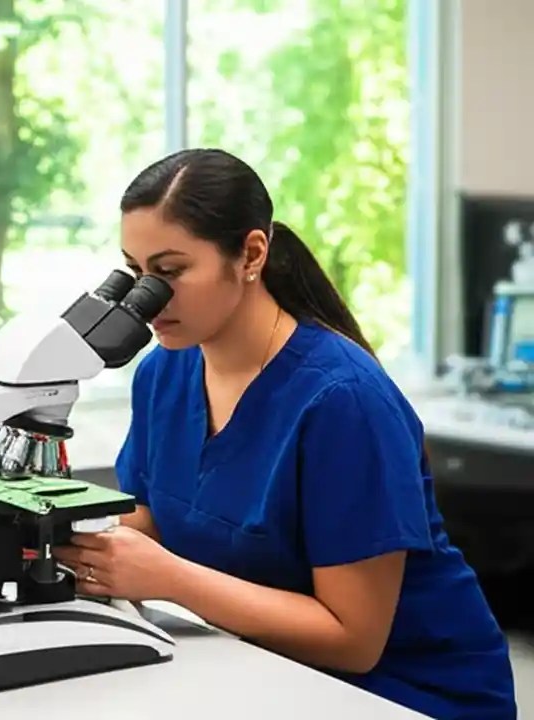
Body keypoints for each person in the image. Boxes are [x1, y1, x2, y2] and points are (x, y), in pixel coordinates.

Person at [52, 148, 517, 719]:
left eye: (170, 272)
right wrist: (63, 535)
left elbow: (354, 639)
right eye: (135, 272)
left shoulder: (341, 401)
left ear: (250, 254)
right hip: (274, 670)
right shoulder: (163, 372)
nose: (147, 298)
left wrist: (170, 579)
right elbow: (159, 517)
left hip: (407, 693)